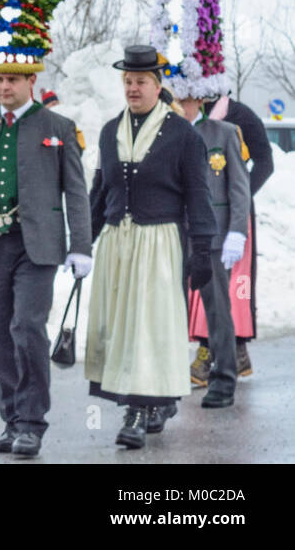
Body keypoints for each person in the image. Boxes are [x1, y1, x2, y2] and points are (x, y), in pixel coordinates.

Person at [0, 66, 91, 458]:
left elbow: (76, 191)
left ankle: (31, 422)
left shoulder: (58, 126)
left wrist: (81, 245)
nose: (5, 87)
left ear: (31, 83)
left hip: (37, 249)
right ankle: (11, 418)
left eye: (12, 80)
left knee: (26, 326)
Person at [86, 46, 215, 449]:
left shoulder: (181, 134)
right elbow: (100, 190)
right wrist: (80, 242)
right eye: (127, 81)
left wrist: (202, 249)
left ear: (158, 86)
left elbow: (198, 194)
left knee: (148, 327)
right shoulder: (110, 131)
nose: (133, 88)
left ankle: (139, 409)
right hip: (117, 240)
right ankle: (155, 400)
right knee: (121, 327)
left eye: (141, 81)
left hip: (158, 240)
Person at [178, 93, 249, 407]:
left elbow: (238, 185)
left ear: (197, 98)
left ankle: (223, 380)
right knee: (168, 309)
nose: (180, 104)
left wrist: (237, 230)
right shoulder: (167, 133)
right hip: (175, 233)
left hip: (216, 234)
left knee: (218, 311)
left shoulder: (223, 132)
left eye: (185, 98)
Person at [200, 92, 272, 378]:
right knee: (202, 287)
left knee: (237, 286)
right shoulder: (187, 114)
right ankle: (206, 346)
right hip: (201, 216)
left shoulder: (242, 116)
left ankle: (239, 346)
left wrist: (238, 199)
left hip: (235, 220)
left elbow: (265, 164)